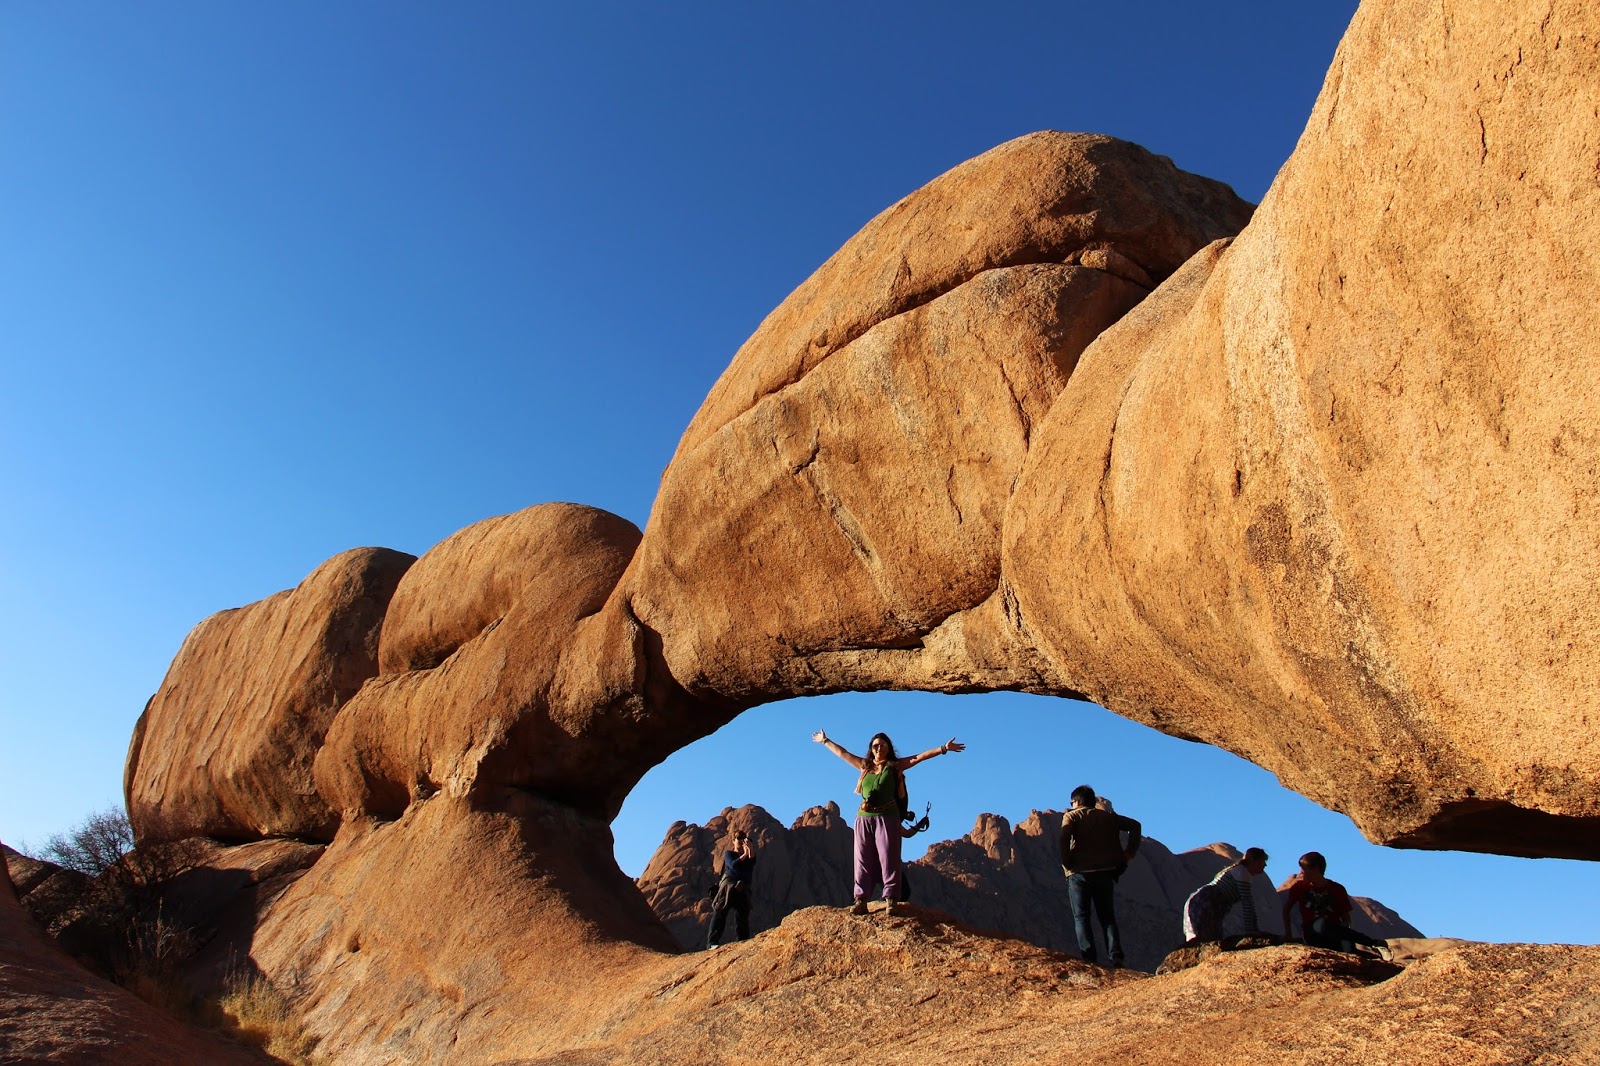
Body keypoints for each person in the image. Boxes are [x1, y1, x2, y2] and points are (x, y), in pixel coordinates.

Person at [812, 728, 964, 914]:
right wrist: (826, 740)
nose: (878, 748)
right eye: (875, 745)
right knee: (862, 858)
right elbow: (843, 754)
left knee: (889, 857)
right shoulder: (864, 766)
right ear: (871, 748)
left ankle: (891, 899)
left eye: (882, 745)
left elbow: (919, 757)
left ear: (888, 748)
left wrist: (943, 748)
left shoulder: (895, 766)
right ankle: (861, 900)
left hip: (887, 817)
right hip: (864, 818)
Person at [1059, 784, 1142, 967]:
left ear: (1077, 801)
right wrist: (1128, 854)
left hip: (1079, 874)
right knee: (1107, 917)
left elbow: (1064, 838)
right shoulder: (1108, 818)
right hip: (1105, 873)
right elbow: (1135, 826)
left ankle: (1089, 959)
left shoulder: (1072, 816)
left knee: (1081, 917)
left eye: (1072, 802)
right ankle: (1116, 956)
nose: (1071, 805)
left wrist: (1067, 863)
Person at [1280, 851, 1393, 961]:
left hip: (1335, 933)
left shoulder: (1336, 889)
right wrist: (1288, 935)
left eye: (1304, 869)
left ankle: (1378, 952)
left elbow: (1346, 918)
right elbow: (1286, 911)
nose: (1301, 873)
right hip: (1312, 934)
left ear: (1316, 869)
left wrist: (1347, 938)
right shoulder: (1299, 888)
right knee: (1321, 924)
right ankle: (1373, 943)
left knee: (1350, 954)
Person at [1182, 847, 1269, 944]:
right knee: (1205, 941)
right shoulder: (1243, 872)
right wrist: (1252, 931)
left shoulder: (1239, 870)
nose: (1265, 865)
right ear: (1254, 861)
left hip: (1203, 903)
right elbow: (1247, 904)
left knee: (1207, 940)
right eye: (1262, 861)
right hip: (1206, 904)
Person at [706, 828, 756, 948]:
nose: (741, 840)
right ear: (733, 840)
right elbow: (733, 865)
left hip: (742, 887)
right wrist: (744, 854)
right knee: (720, 912)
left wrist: (750, 849)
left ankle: (742, 942)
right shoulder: (729, 854)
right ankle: (712, 943)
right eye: (738, 838)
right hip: (728, 885)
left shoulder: (748, 857)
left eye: (743, 838)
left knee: (742, 916)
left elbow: (752, 862)